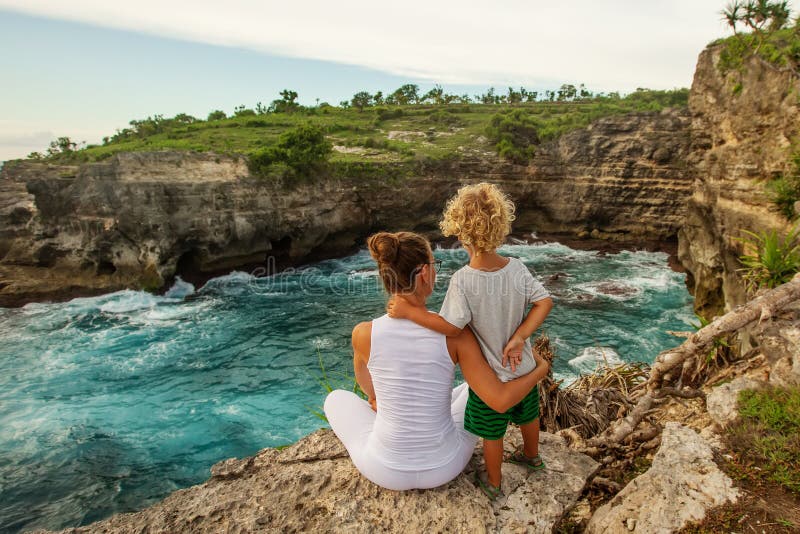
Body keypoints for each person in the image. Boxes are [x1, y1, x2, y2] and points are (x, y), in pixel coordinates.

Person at [323, 231, 550, 492]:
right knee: (474, 389)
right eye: (435, 265)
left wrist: (376, 400)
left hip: (385, 470)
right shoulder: (456, 336)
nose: (436, 272)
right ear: (424, 273)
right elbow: (499, 401)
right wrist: (540, 370)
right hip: (445, 466)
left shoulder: (363, 334)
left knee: (336, 399)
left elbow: (368, 387)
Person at [388, 183, 553, 500]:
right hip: (524, 366)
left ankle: (494, 483)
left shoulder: (463, 280)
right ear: (501, 226)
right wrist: (520, 337)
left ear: (460, 232)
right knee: (528, 415)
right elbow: (544, 302)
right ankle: (532, 457)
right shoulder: (517, 268)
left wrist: (411, 313)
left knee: (492, 434)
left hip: (492, 376)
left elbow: (451, 327)